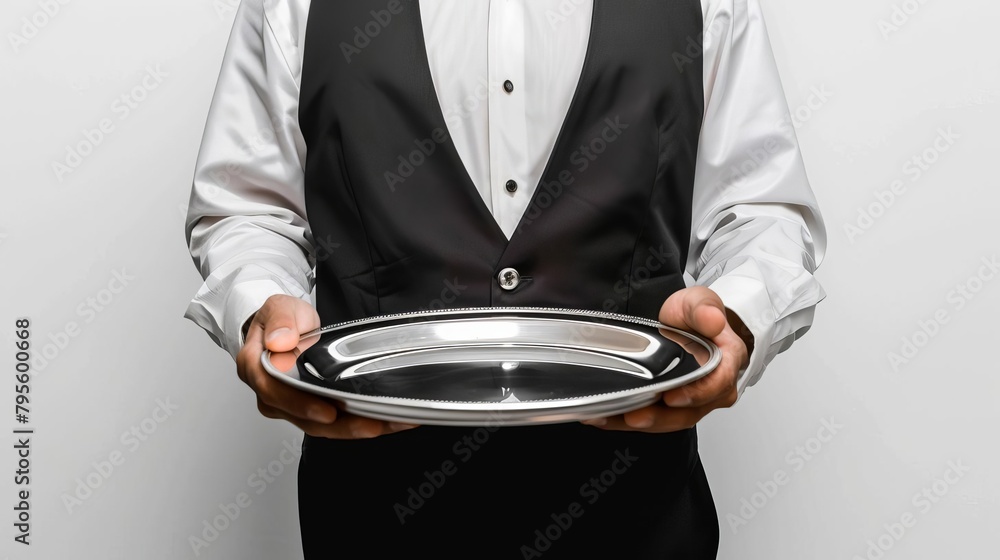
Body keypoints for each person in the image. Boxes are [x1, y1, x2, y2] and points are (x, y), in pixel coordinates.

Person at [183, 0, 826, 558]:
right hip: (374, 522)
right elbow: (249, 207)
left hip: (638, 520)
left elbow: (761, 208)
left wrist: (736, 318)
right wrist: (263, 305)